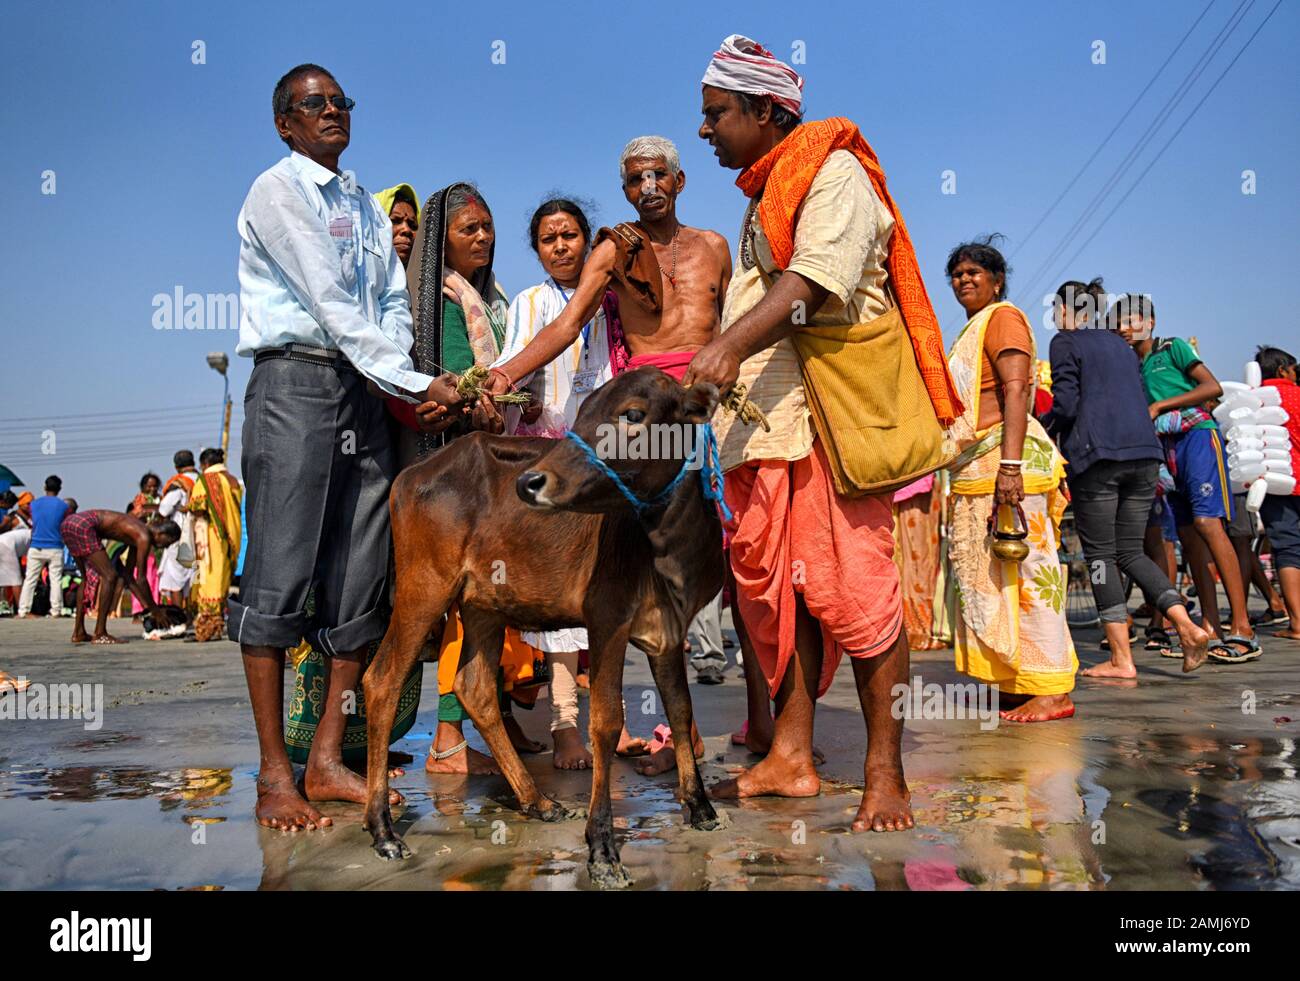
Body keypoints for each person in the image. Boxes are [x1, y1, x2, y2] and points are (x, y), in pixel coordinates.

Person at [684, 35, 961, 829]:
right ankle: (792, 755)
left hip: (828, 426)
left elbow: (816, 285)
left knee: (858, 600)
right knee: (784, 605)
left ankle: (886, 775)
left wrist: (729, 345)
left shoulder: (832, 174)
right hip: (768, 429)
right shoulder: (765, 192)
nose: (706, 131)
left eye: (716, 115)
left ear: (765, 111)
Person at [231, 63, 460, 831]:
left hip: (364, 389)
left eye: (339, 102)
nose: (330, 112)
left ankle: (327, 756)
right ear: (285, 124)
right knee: (278, 578)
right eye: (312, 104)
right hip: (294, 385)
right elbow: (328, 299)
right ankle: (273, 773)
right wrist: (411, 377)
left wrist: (397, 378)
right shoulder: (277, 191)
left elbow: (390, 299)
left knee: (361, 578)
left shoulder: (363, 202)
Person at [484, 137, 730, 771]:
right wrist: (508, 375)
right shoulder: (614, 250)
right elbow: (567, 324)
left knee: (716, 559)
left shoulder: (714, 248)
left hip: (706, 411)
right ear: (624, 190)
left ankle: (720, 727)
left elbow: (732, 331)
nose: (646, 186)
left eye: (657, 175)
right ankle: (624, 726)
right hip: (640, 423)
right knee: (631, 569)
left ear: (679, 180)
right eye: (633, 179)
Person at [495, 197, 652, 769]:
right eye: (547, 239)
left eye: (569, 235)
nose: (560, 246)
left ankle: (619, 721)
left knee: (614, 591)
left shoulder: (612, 304)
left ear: (588, 241)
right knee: (567, 598)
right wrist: (526, 403)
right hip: (555, 465)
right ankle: (565, 724)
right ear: (536, 249)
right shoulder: (528, 304)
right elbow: (514, 371)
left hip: (608, 468)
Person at [399, 181, 549, 773]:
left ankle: (490, 726)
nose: (484, 237)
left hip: (489, 462)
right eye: (470, 229)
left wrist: (520, 400)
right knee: (462, 601)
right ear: (444, 241)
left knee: (487, 602)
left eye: (488, 227)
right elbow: (453, 376)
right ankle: (447, 742)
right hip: (457, 469)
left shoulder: (494, 300)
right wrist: (487, 397)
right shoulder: (442, 301)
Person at [1043, 278, 1211, 677]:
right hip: (1144, 456)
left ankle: (1121, 659)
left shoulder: (1066, 341)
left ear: (1069, 311)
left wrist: (1041, 428)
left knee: (1101, 557)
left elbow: (1066, 404)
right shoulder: (1123, 346)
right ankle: (1187, 626)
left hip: (1099, 459)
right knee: (1131, 551)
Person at [943, 239, 1077, 722]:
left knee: (1031, 576)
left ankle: (1054, 690)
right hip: (978, 466)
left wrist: (1010, 467)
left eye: (974, 271)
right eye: (956, 274)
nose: (964, 279)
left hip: (1008, 463)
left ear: (997, 280)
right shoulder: (971, 330)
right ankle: (1019, 681)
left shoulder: (1004, 318)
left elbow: (1016, 388)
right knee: (998, 579)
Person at [1114, 294, 1258, 662]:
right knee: (1190, 539)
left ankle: (1243, 628)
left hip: (1197, 437)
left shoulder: (1172, 348)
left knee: (1209, 524)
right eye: (1118, 324)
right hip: (1165, 450)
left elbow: (1213, 388)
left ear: (1150, 322)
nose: (1124, 329)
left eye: (1131, 321)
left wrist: (1161, 405)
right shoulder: (1132, 367)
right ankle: (1210, 626)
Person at [62, 508, 179, 644]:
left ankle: (79, 632)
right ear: (162, 534)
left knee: (86, 579)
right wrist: (156, 611)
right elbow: (141, 579)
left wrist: (148, 608)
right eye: (168, 543)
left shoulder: (139, 532)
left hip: (70, 523)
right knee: (110, 576)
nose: (165, 547)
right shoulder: (144, 536)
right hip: (84, 525)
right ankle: (100, 633)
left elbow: (128, 576)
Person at [1255, 345, 1300, 640]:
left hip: (1277, 482)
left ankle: (1297, 623)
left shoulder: (1253, 400)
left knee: (1287, 549)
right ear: (1283, 369)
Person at [188, 448, 243, 642]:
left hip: (212, 538)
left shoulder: (205, 480)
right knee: (222, 580)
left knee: (208, 580)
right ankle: (216, 623)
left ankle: (206, 627)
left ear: (204, 464)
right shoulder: (233, 480)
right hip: (232, 539)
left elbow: (197, 507)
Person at [18, 475, 68, 618]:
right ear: (59, 489)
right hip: (55, 547)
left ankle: (23, 610)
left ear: (45, 487)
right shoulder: (63, 506)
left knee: (30, 579)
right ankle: (56, 610)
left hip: (36, 546)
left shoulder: (34, 504)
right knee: (56, 579)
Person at [157, 450, 198, 609]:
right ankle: (190, 616)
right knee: (192, 578)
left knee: (176, 579)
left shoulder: (179, 483)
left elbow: (164, 510)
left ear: (176, 466)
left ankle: (179, 617)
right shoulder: (202, 480)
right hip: (200, 535)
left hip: (180, 536)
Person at [127, 472, 162, 618]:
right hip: (141, 541)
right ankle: (139, 609)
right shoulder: (139, 500)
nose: (152, 489)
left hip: (156, 544)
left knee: (154, 577)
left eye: (155, 486)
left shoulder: (161, 499)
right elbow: (133, 516)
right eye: (149, 486)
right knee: (141, 574)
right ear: (143, 486)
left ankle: (154, 606)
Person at [0, 492, 33, 614]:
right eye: (28, 504)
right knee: (14, 580)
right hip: (7, 548)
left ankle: (14, 606)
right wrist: (5, 524)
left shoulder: (30, 519)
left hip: (16, 551)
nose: (30, 506)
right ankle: (21, 609)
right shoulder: (11, 517)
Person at [374, 183, 419, 268]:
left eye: (412, 225)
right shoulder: (353, 276)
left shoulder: (429, 279)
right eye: (395, 221)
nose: (406, 230)